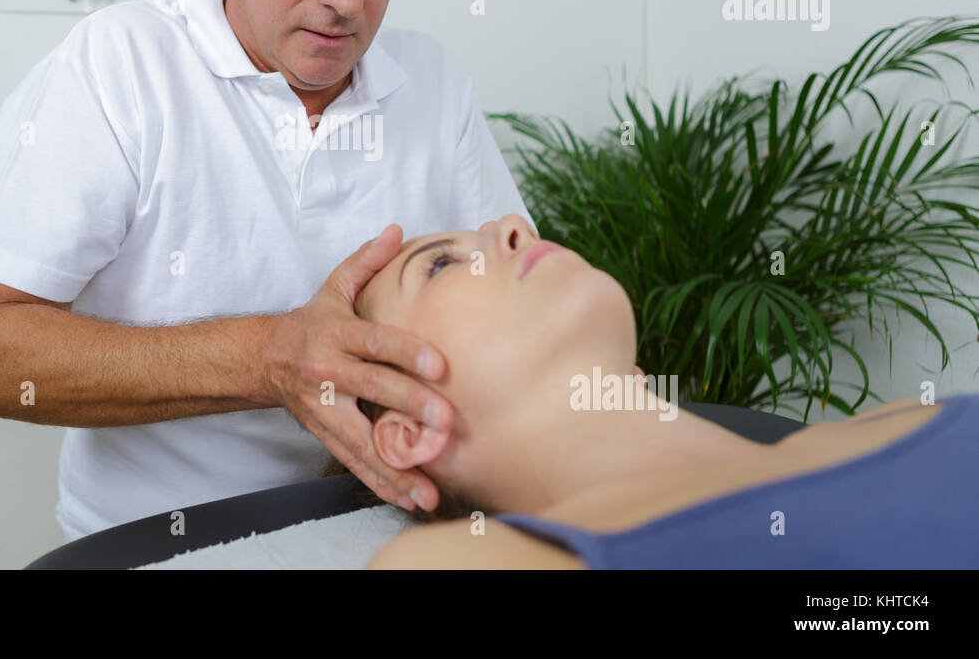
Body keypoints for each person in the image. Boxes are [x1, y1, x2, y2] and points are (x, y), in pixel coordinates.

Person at [0, 0, 533, 540]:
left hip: (374, 525)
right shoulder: (119, 64)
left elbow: (518, 309)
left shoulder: (434, 84)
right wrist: (271, 359)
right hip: (157, 545)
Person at [345, 214, 979, 568]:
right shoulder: (462, 565)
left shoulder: (901, 419)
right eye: (441, 264)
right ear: (406, 431)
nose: (514, 226)